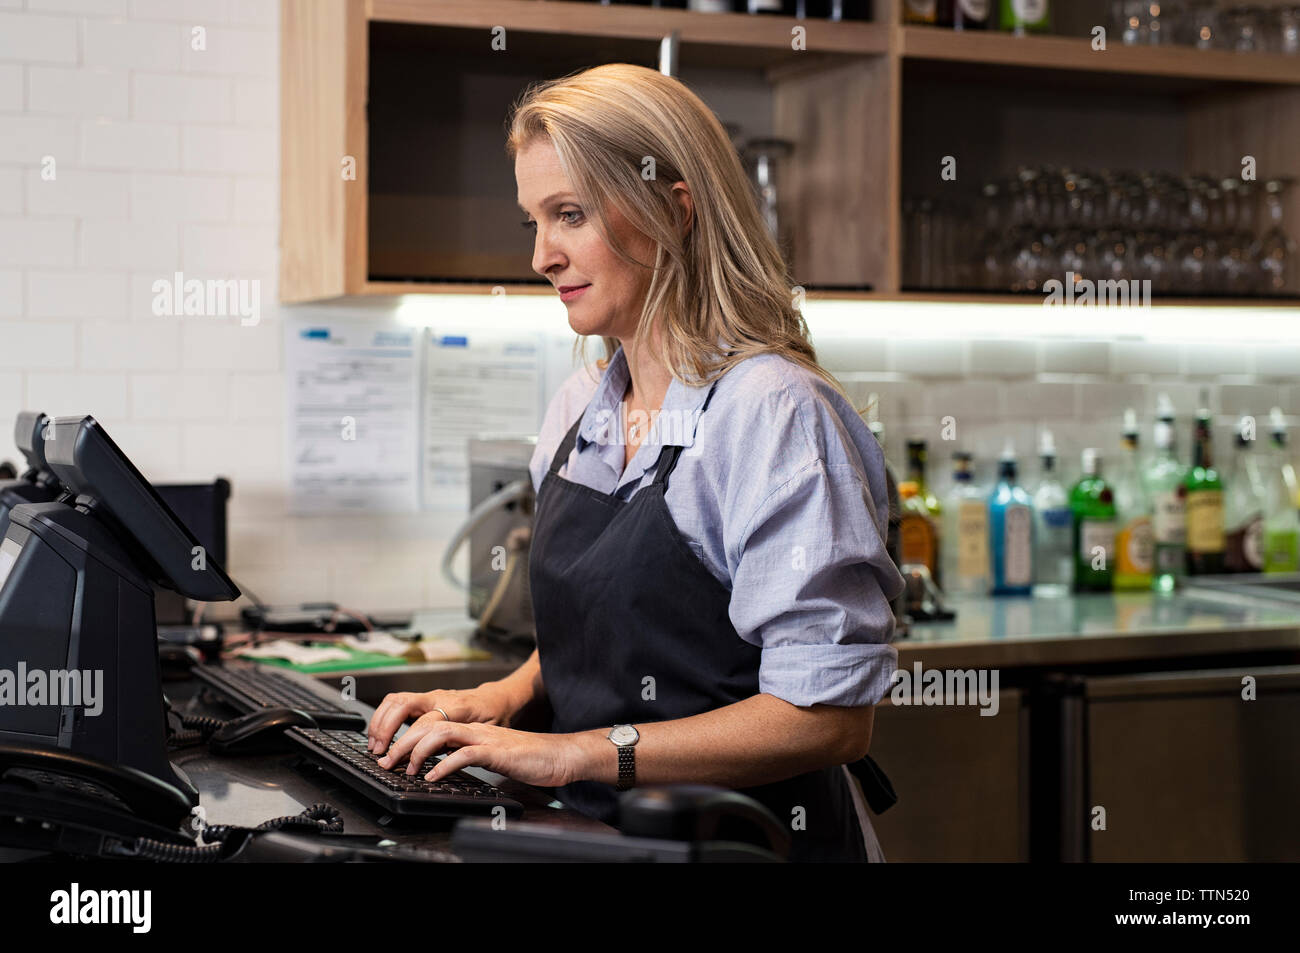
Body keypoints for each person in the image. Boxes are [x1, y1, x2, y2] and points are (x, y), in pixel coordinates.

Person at [366, 63, 905, 862]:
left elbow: (825, 717)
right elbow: (613, 630)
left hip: (747, 846)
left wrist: (572, 751)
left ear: (672, 208)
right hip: (594, 837)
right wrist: (505, 696)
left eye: (570, 214)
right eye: (533, 222)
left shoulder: (771, 412)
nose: (543, 256)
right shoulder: (582, 403)